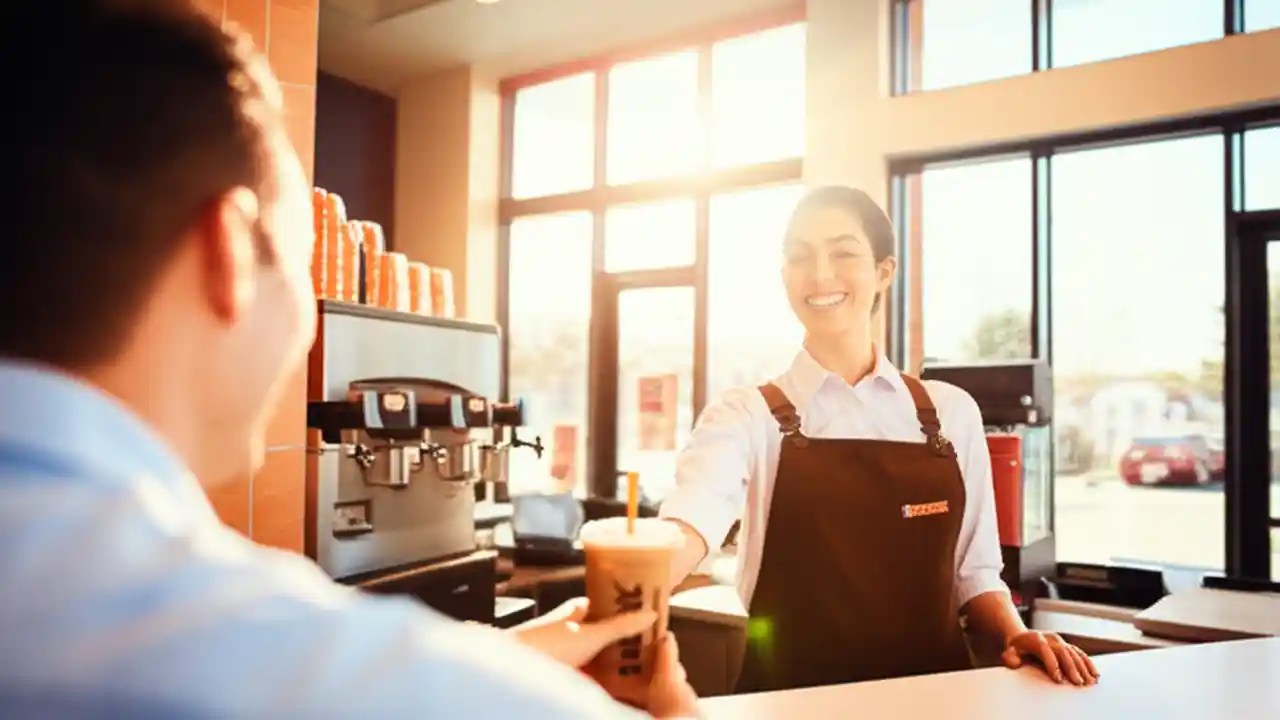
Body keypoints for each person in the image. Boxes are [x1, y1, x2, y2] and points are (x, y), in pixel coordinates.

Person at [0, 2, 699, 718]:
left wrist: (495, 662)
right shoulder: (362, 679)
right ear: (229, 254)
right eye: (300, 264)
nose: (310, 329)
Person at [658, 186, 1100, 692]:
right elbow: (690, 521)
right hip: (790, 707)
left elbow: (975, 575)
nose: (820, 274)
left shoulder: (950, 415)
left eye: (843, 252)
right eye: (801, 256)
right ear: (785, 278)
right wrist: (635, 580)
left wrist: (1014, 633)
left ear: (884, 272)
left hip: (934, 704)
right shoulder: (745, 416)